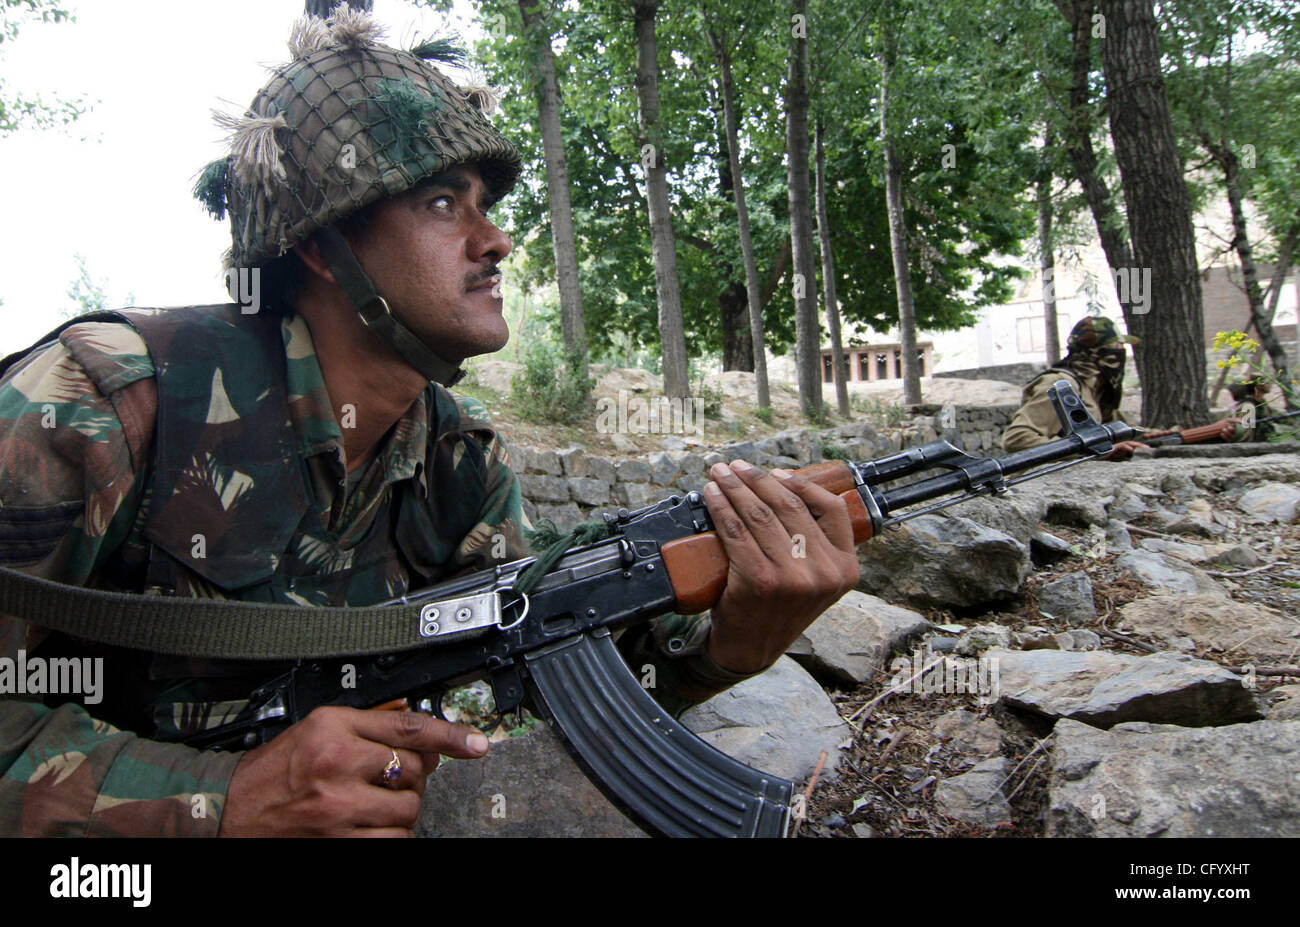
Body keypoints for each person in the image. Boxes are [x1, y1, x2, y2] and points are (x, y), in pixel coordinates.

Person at [0, 10, 859, 836]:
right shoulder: (106, 400)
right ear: (320, 245)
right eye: (445, 202)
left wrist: (726, 646)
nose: (497, 240)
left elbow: (551, 679)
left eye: (484, 200)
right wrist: (213, 801)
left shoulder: (455, 458)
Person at [1001, 316, 1154, 459]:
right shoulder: (1061, 384)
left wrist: (1154, 436)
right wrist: (1084, 450)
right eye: (1118, 347)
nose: (1121, 353)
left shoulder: (1092, 385)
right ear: (1102, 354)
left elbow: (1117, 426)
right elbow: (1016, 438)